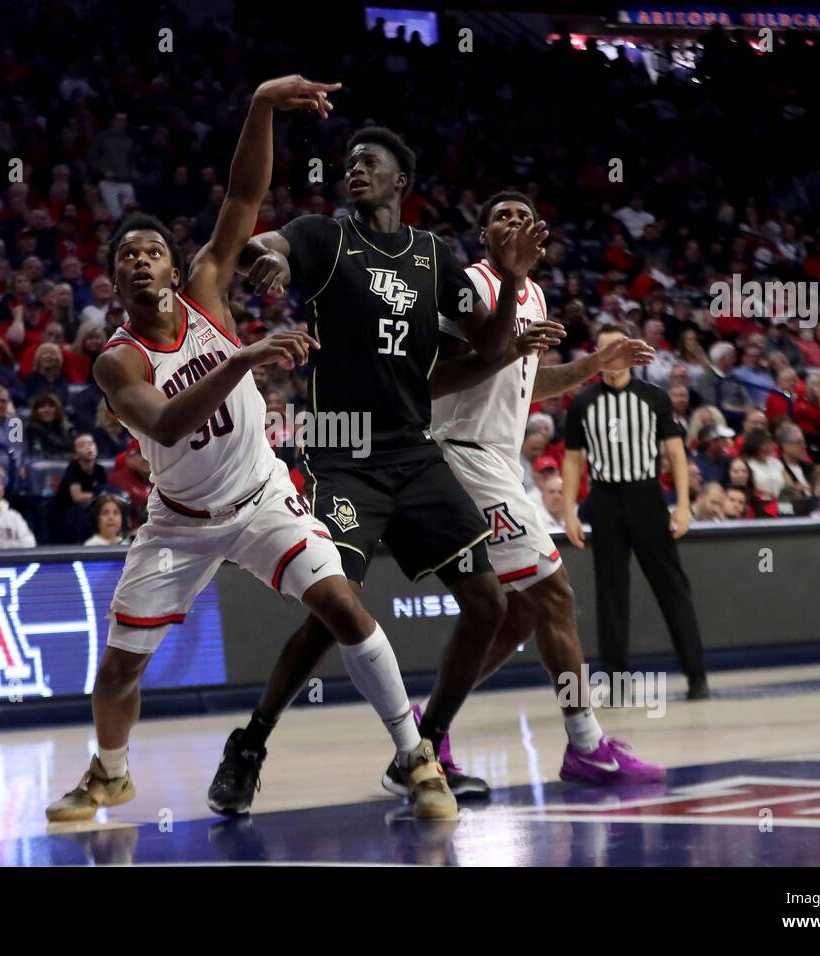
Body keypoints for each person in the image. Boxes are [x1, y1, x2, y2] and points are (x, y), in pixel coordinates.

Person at [47, 76, 457, 824]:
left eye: (153, 251)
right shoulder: (118, 358)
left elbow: (242, 200)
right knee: (118, 670)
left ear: (176, 266)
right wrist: (241, 360)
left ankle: (414, 751)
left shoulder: (208, 287)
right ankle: (110, 773)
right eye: (127, 257)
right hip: (179, 520)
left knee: (342, 604)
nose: (142, 261)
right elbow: (166, 425)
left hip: (262, 495)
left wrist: (262, 104)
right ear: (114, 280)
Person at [205, 120, 556, 814]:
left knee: (489, 602)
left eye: (370, 161)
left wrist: (512, 281)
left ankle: (422, 749)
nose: (355, 169)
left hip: (413, 450)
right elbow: (257, 248)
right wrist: (261, 261)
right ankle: (250, 745)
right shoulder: (321, 235)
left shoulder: (433, 256)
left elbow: (484, 347)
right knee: (334, 607)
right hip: (345, 454)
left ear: (402, 179)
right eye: (350, 161)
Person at [413, 191, 662, 788]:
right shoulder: (468, 285)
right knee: (555, 596)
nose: (515, 222)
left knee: (520, 613)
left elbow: (525, 382)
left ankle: (428, 729)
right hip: (462, 454)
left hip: (497, 459)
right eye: (501, 215)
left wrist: (590, 366)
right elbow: (431, 378)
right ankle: (587, 746)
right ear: (482, 235)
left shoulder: (535, 294)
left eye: (524, 216)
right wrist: (503, 352)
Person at [564, 324, 710, 700]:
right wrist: (569, 513)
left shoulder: (654, 398)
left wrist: (682, 507)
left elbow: (676, 455)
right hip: (605, 500)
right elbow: (573, 461)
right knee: (610, 593)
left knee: (672, 587)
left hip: (647, 496)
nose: (611, 355)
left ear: (631, 350)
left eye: (617, 347)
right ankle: (615, 682)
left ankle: (696, 675)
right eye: (603, 349)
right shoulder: (582, 403)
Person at [52, 433, 107, 542]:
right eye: (82, 445)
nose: (88, 447)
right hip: (67, 513)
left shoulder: (100, 469)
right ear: (75, 454)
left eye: (90, 443)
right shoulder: (73, 468)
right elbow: (77, 497)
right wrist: (99, 495)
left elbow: (105, 493)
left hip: (90, 508)